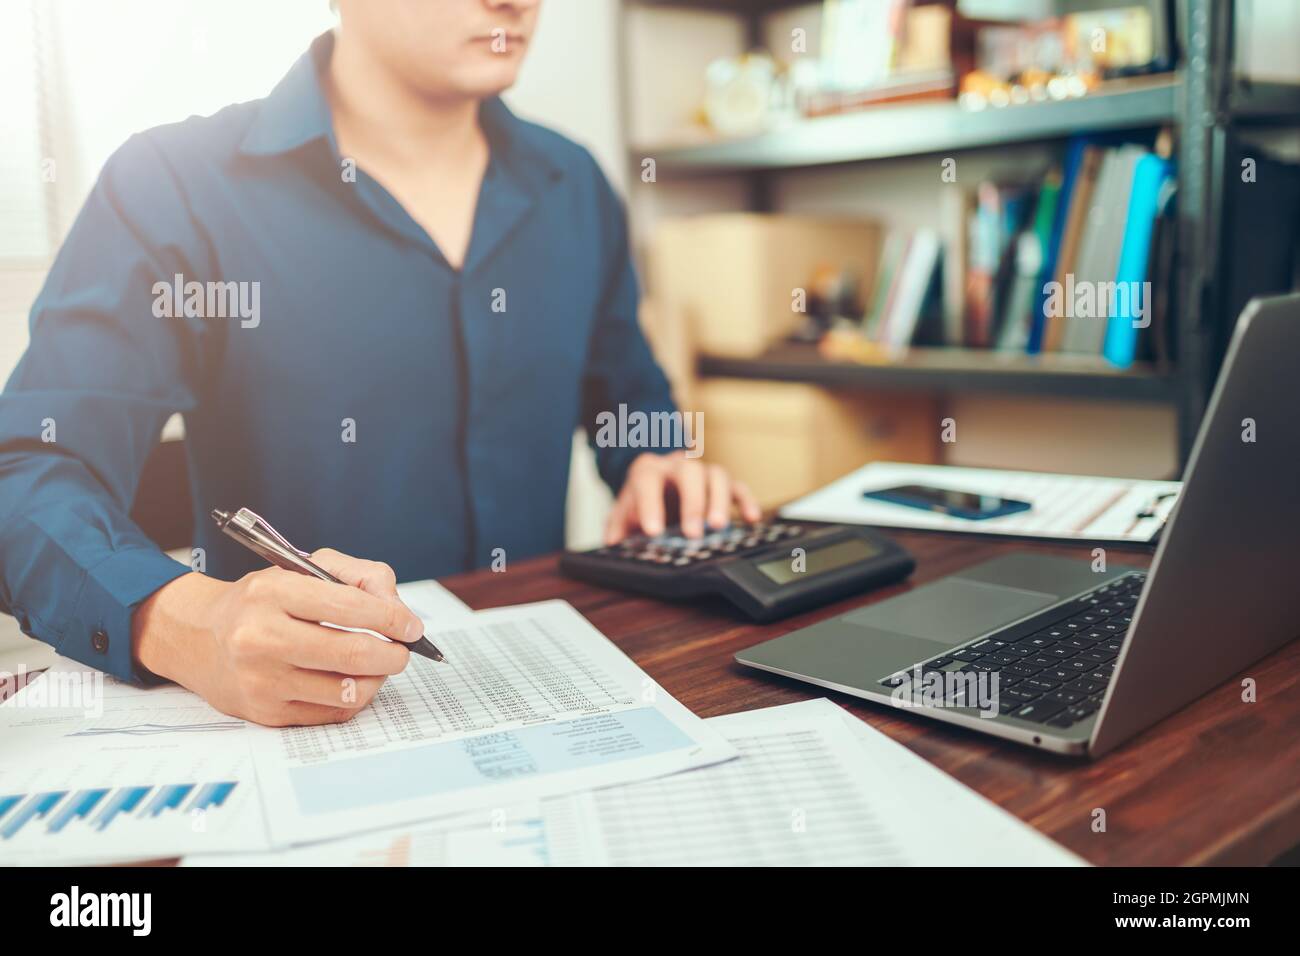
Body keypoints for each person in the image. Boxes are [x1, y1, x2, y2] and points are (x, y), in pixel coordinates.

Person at [0, 0, 758, 726]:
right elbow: (26, 470)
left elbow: (630, 404)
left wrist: (661, 465)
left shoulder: (576, 184)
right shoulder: (172, 186)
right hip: (306, 736)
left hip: (552, 703)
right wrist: (180, 620)